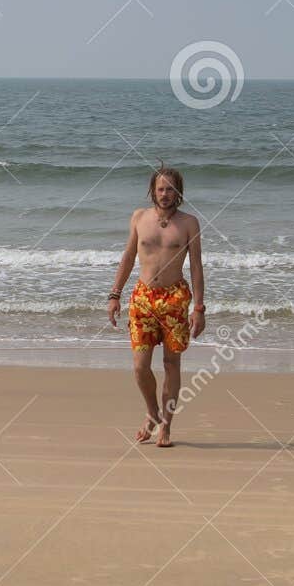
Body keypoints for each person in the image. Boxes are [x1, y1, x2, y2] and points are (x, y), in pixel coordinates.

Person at [107, 167, 205, 448]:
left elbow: (197, 268)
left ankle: (166, 426)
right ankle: (152, 412)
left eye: (171, 189)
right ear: (152, 190)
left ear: (179, 192)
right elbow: (127, 257)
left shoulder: (189, 223)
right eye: (161, 189)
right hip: (142, 297)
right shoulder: (139, 217)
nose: (165, 194)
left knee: (171, 364)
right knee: (140, 367)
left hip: (175, 299)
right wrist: (115, 295)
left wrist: (199, 308)